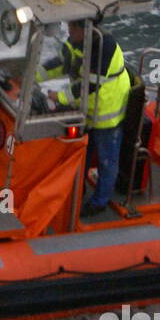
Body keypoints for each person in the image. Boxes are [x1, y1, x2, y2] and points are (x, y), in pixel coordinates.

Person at [38, 19, 130, 217]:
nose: (69, 31)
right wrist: (32, 76)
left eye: (73, 27)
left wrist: (59, 97)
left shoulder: (105, 47)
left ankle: (100, 201)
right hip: (87, 108)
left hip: (107, 109)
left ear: (85, 29)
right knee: (82, 151)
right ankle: (78, 189)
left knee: (107, 160)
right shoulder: (76, 42)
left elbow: (90, 85)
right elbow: (61, 64)